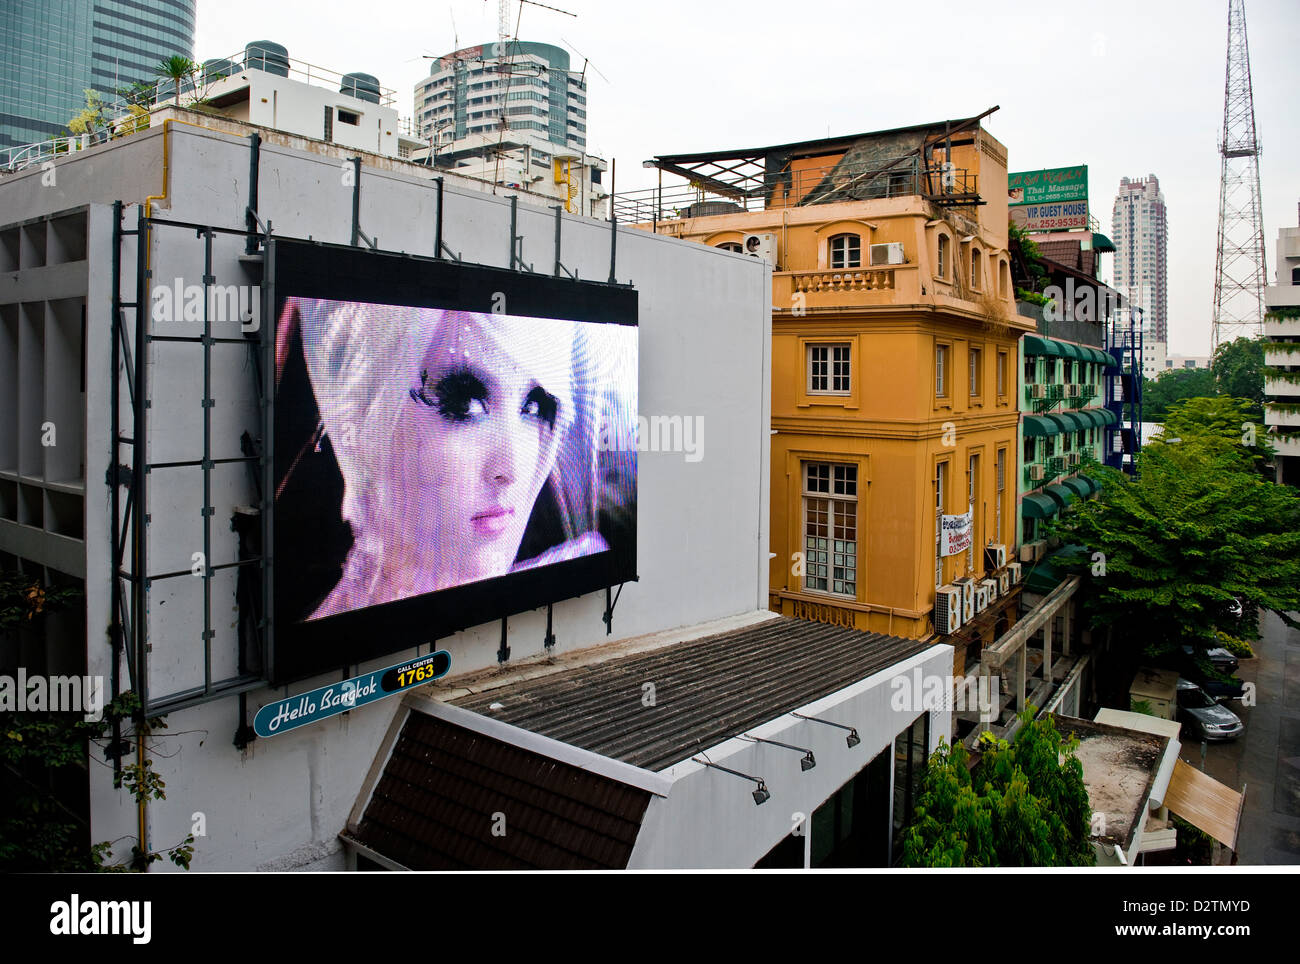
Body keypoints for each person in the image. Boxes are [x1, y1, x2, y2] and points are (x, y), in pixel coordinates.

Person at [276, 297, 609, 621]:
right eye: (464, 405)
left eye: (534, 407)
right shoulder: (329, 650)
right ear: (357, 422)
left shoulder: (566, 586)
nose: (511, 468)